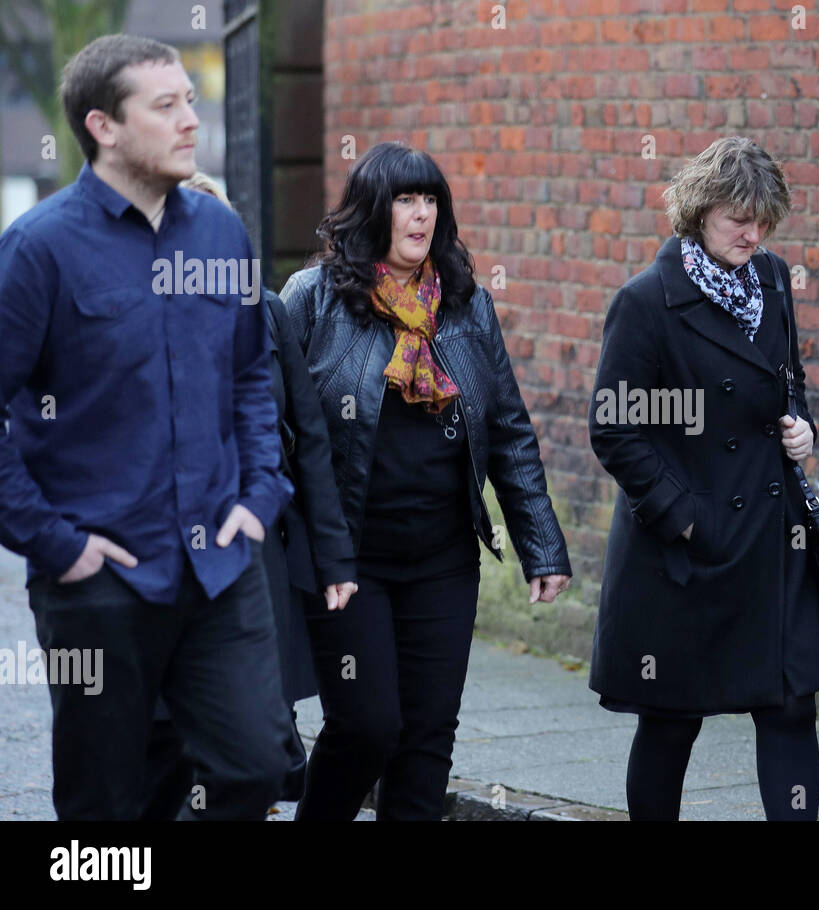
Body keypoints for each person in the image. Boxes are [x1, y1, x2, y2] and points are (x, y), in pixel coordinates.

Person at [0, 35, 294, 820]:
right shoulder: (39, 249)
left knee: (258, 766)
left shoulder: (221, 236)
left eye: (189, 102)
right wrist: (55, 543)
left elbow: (248, 378)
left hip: (219, 566)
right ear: (104, 125)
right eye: (165, 106)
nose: (190, 120)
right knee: (106, 801)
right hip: (99, 579)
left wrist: (260, 491)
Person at [280, 141, 572, 821]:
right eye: (405, 201)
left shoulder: (467, 306)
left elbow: (509, 432)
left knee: (427, 737)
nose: (420, 215)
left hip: (442, 557)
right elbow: (276, 424)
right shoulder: (315, 300)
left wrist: (542, 545)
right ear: (371, 211)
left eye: (430, 200)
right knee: (367, 725)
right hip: (348, 557)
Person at [587, 136, 819, 821]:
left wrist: (801, 424)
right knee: (672, 722)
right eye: (738, 219)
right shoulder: (646, 303)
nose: (753, 234)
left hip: (771, 542)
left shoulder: (774, 279)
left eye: (764, 220)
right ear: (699, 213)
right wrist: (687, 517)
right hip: (686, 554)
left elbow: (789, 384)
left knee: (790, 711)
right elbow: (613, 427)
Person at [138, 173, 360, 818]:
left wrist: (333, 559)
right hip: (160, 559)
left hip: (255, 551)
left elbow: (310, 441)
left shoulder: (265, 311)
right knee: (169, 744)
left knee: (257, 746)